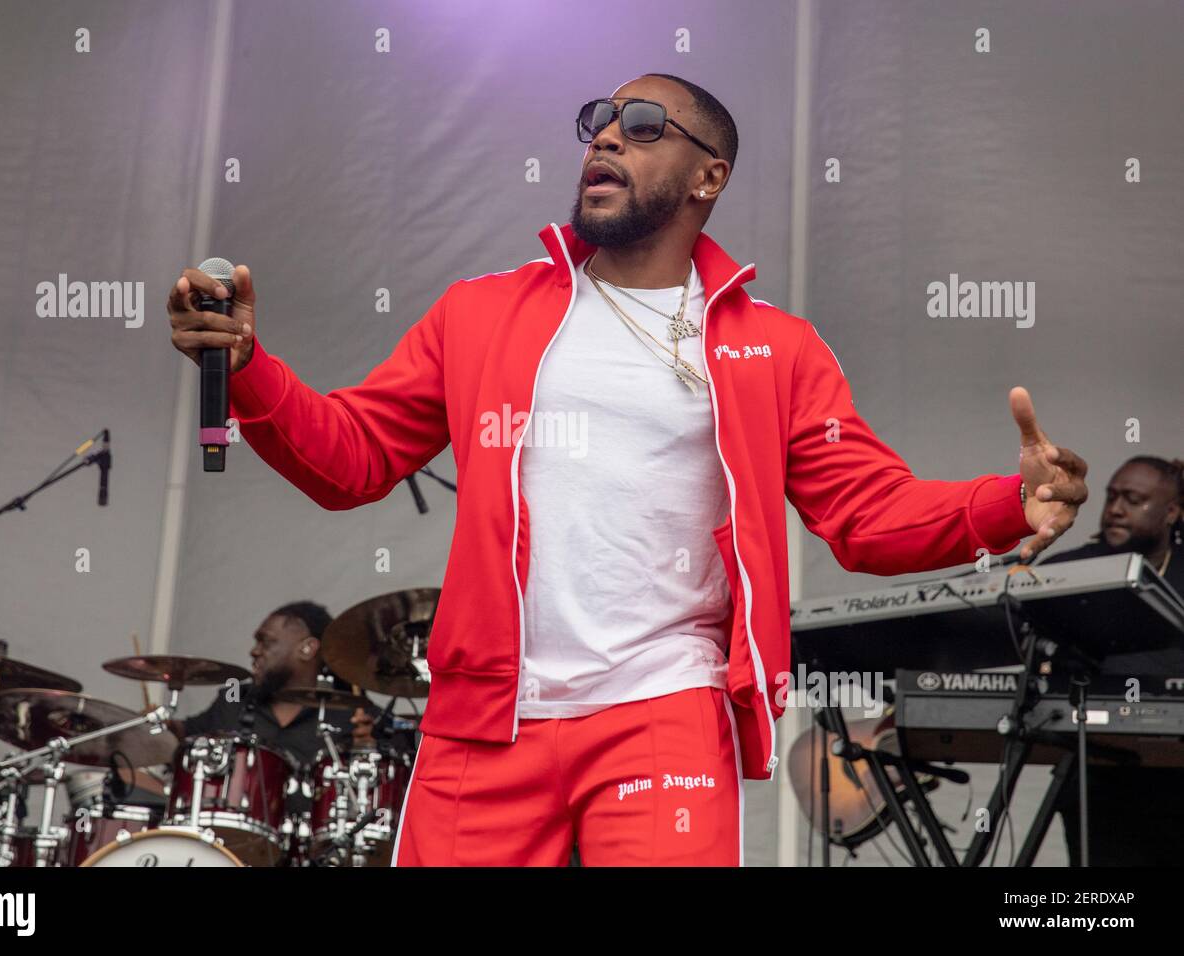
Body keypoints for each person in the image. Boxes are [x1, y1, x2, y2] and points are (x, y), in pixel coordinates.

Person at [166, 73, 1088, 866]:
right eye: (599, 121)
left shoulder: (775, 349)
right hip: (484, 722)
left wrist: (1011, 502)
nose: (606, 134)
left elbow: (864, 513)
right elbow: (352, 459)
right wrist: (249, 370)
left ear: (707, 177)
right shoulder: (481, 314)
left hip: (663, 710)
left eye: (644, 124)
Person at [1039, 456, 1184, 865]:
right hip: (1097, 777)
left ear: (1171, 511)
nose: (1116, 509)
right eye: (1112, 497)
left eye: (1133, 500)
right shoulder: (1069, 572)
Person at [171, 601, 375, 764]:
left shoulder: (352, 713)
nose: (254, 651)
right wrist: (158, 727)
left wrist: (368, 749)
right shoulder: (234, 699)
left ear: (307, 648)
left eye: (266, 642)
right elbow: (181, 735)